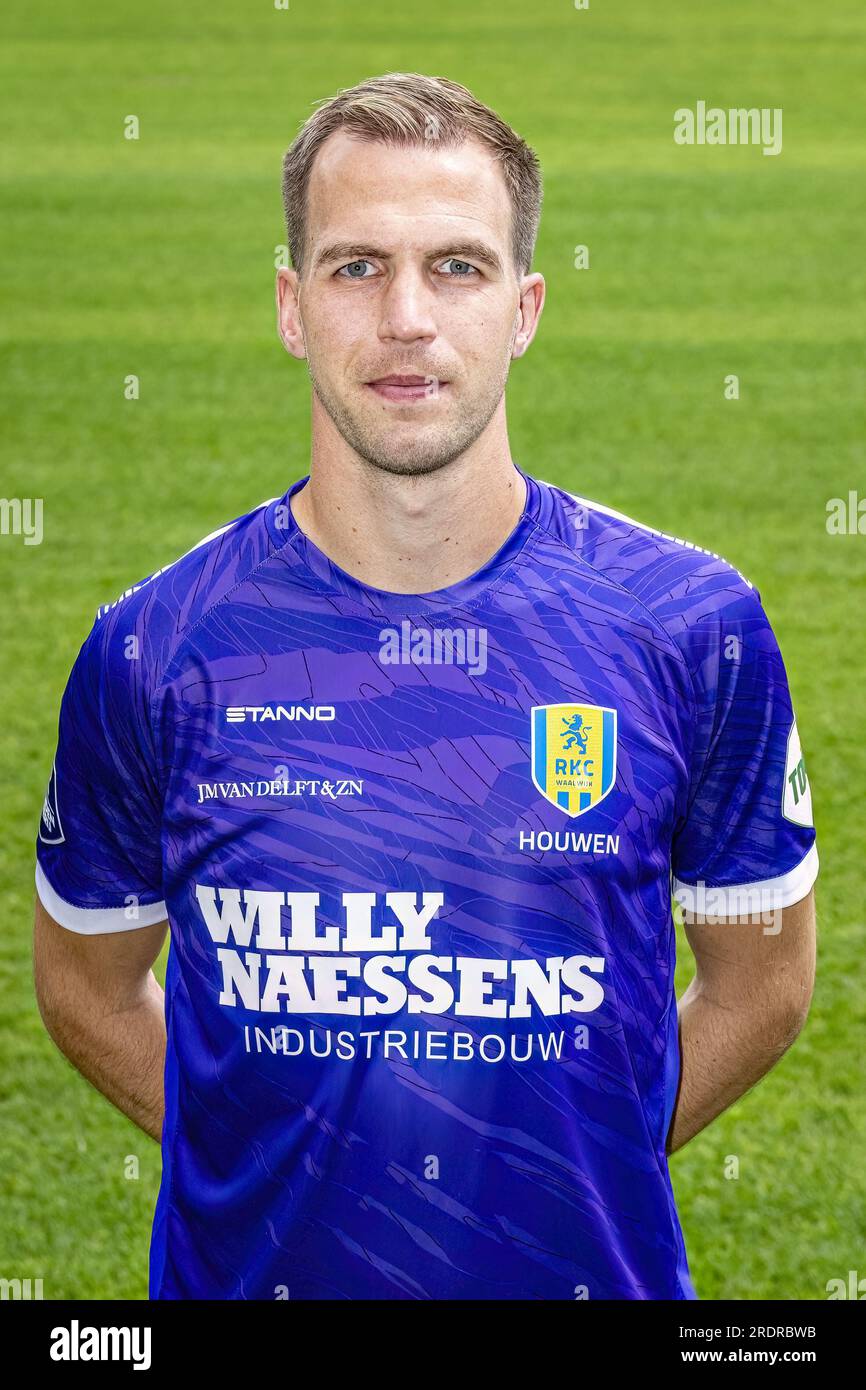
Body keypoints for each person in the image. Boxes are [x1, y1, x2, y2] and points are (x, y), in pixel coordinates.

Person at [33, 72, 817, 1301]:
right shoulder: (154, 648)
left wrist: (578, 1150)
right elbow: (84, 982)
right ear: (292, 307)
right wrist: (256, 1148)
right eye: (355, 268)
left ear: (524, 307)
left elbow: (761, 979)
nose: (407, 318)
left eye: (456, 267)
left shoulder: (688, 626)